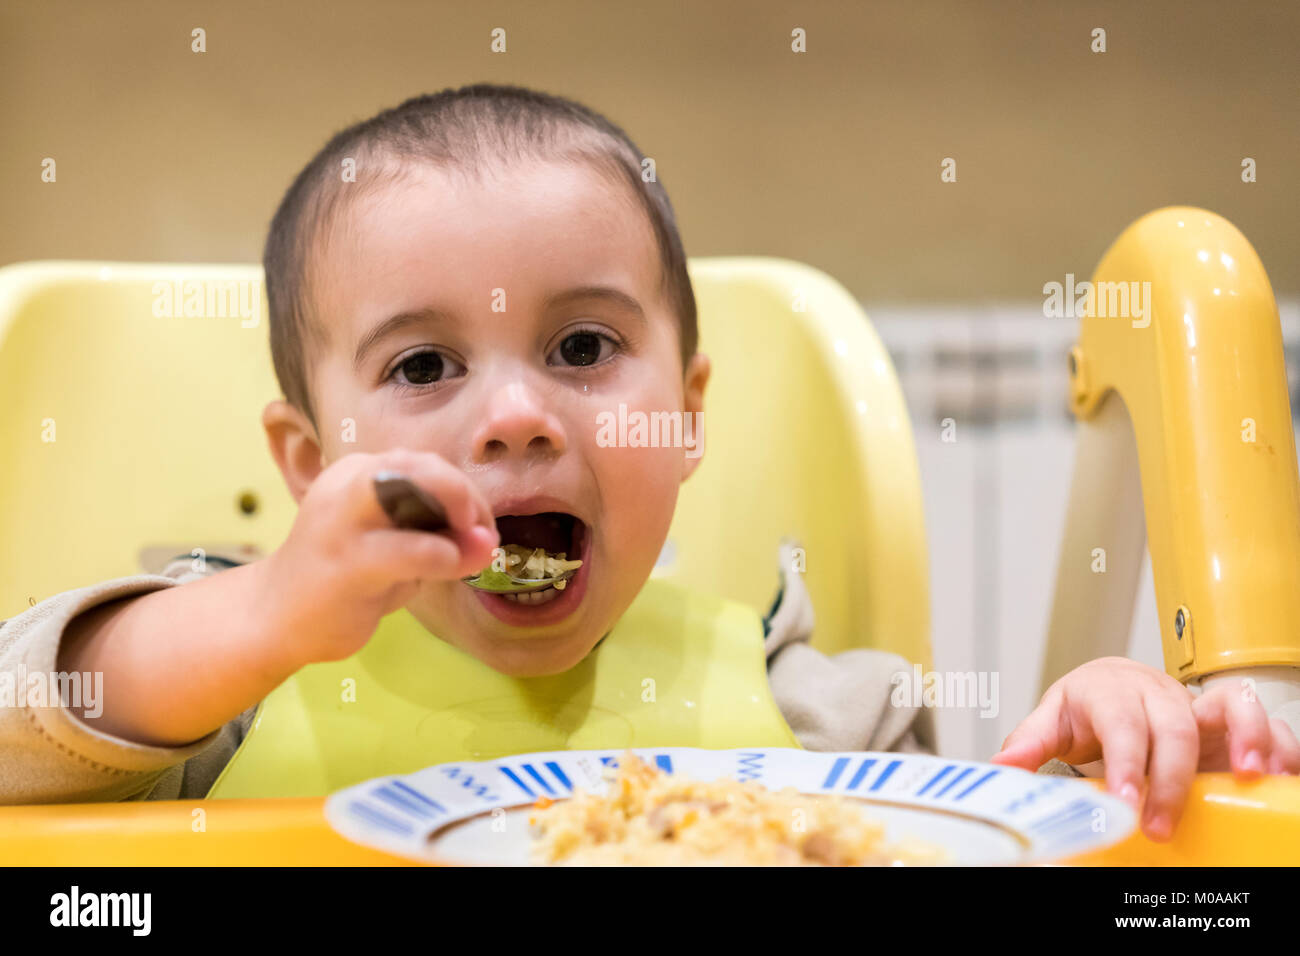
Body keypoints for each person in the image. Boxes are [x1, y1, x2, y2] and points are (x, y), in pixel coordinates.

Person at [1, 85, 1294, 846]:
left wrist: (1112, 755)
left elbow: (970, 839)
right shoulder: (223, 688)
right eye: (421, 368)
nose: (513, 416)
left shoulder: (815, 712)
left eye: (579, 345)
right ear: (306, 461)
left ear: (683, 415)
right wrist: (250, 618)